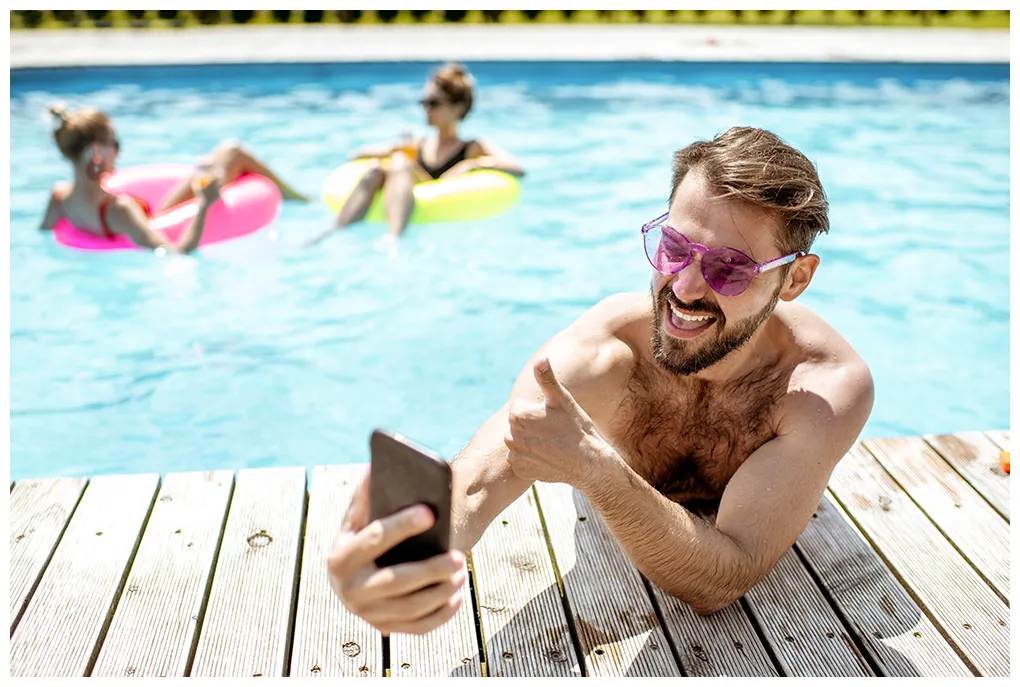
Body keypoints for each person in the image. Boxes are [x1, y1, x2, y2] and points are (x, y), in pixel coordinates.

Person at [327, 126, 874, 635]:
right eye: (675, 248)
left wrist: (597, 472)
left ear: (795, 277)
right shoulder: (603, 354)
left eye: (728, 268)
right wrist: (402, 563)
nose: (683, 287)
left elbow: (724, 579)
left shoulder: (822, 386)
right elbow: (478, 479)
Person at [39, 105, 308, 254]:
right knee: (233, 152)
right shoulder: (119, 210)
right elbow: (177, 253)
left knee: (218, 161)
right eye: (115, 145)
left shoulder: (59, 198)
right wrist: (204, 206)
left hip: (149, 218)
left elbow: (45, 234)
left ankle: (297, 197)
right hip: (155, 223)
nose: (118, 153)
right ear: (97, 153)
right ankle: (301, 200)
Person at [308, 62, 525, 246]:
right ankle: (335, 231)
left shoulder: (472, 147)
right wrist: (393, 150)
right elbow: (357, 155)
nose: (426, 109)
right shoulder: (417, 144)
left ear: (458, 108)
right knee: (377, 168)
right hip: (408, 181)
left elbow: (517, 168)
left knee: (400, 162)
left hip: (442, 198)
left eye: (434, 103)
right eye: (424, 103)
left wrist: (475, 165)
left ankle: (393, 238)